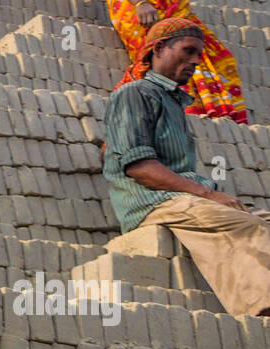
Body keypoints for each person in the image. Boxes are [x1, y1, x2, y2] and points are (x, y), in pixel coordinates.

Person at [103, 17, 270, 317]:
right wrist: (209, 195)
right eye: (189, 51)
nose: (195, 60)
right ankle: (261, 308)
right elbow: (140, 167)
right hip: (152, 203)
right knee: (248, 226)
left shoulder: (173, 103)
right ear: (158, 49)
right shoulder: (134, 94)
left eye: (199, 54)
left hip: (185, 199)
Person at [107, 0, 247, 123]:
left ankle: (212, 114)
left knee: (217, 56)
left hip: (174, 6)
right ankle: (183, 112)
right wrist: (140, 3)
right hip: (141, 7)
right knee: (171, 56)